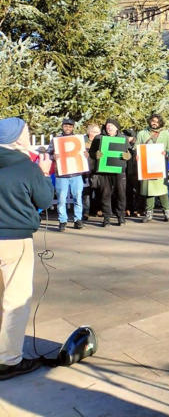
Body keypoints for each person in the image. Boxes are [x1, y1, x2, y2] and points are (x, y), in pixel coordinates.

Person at [0, 117, 54, 381]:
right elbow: (44, 199)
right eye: (26, 131)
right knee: (15, 299)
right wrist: (43, 173)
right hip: (14, 239)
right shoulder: (25, 166)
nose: (29, 134)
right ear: (17, 138)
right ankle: (8, 360)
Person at [90, 119, 129, 227]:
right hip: (104, 170)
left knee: (121, 194)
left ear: (117, 127)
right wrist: (95, 154)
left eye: (111, 125)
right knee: (105, 194)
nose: (109, 127)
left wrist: (128, 156)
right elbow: (91, 152)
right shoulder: (99, 138)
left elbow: (129, 151)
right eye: (107, 125)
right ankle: (106, 217)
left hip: (118, 170)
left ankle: (121, 217)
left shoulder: (123, 138)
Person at [136, 114, 169, 222]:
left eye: (157, 121)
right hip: (146, 165)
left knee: (162, 190)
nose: (154, 123)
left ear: (160, 123)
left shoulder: (166, 134)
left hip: (160, 165)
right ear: (150, 121)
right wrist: (137, 154)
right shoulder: (142, 133)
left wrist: (167, 153)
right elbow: (137, 147)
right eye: (153, 121)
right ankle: (149, 214)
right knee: (149, 191)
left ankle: (167, 213)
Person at [49, 118, 85, 231]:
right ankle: (62, 220)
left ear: (73, 127)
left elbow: (83, 154)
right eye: (65, 126)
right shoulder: (56, 140)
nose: (68, 128)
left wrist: (86, 155)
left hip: (76, 173)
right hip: (61, 174)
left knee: (78, 197)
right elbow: (49, 153)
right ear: (62, 126)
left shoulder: (78, 140)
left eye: (70, 126)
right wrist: (53, 156)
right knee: (61, 199)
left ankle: (77, 220)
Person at [82, 123, 101, 221]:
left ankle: (96, 209)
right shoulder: (83, 141)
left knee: (98, 190)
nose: (97, 134)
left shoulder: (100, 141)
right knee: (86, 192)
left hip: (97, 169)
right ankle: (86, 211)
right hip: (86, 169)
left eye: (98, 132)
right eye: (95, 132)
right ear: (89, 132)